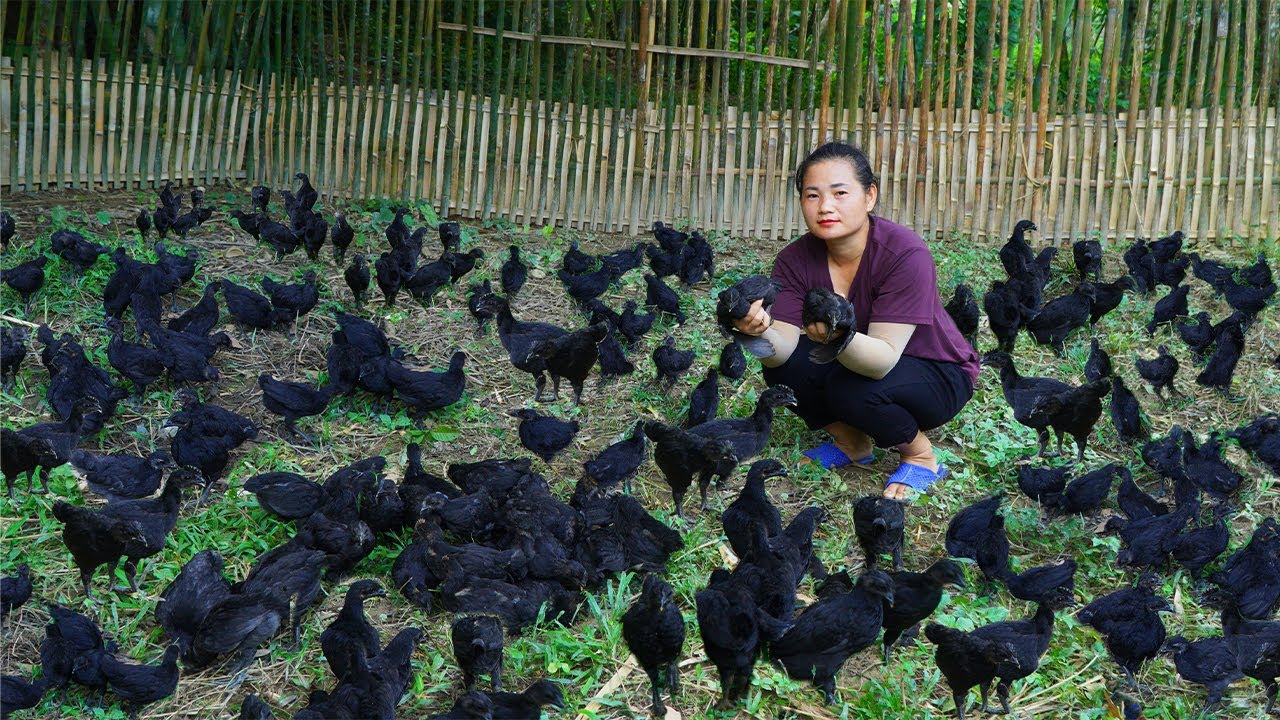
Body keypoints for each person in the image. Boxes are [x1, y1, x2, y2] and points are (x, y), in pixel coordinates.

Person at [733, 142, 979, 501]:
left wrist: (839, 339)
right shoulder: (793, 260)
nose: (825, 206)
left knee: (852, 389)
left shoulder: (905, 253)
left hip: (937, 373)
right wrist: (757, 329)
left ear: (869, 196)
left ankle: (921, 457)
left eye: (840, 193)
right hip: (860, 363)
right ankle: (853, 443)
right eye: (812, 195)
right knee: (784, 369)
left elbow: (882, 360)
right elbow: (782, 348)